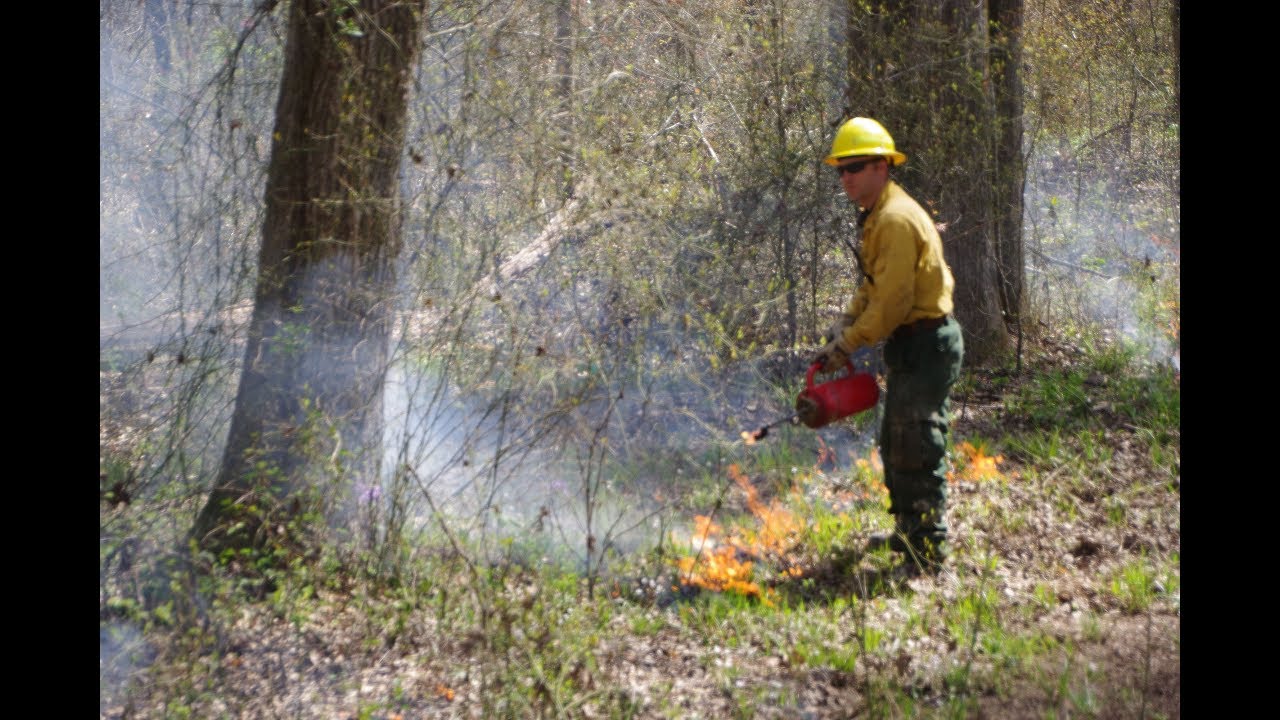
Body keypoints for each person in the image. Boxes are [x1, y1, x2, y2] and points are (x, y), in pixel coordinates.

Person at [811, 117, 964, 574]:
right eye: (841, 169)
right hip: (911, 344)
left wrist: (849, 344)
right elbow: (875, 287)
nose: (847, 177)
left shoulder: (895, 220)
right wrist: (845, 322)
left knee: (917, 443)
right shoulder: (879, 214)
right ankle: (907, 531)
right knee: (896, 439)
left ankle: (927, 551)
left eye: (855, 166)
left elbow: (893, 304)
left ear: (882, 166)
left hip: (926, 343)